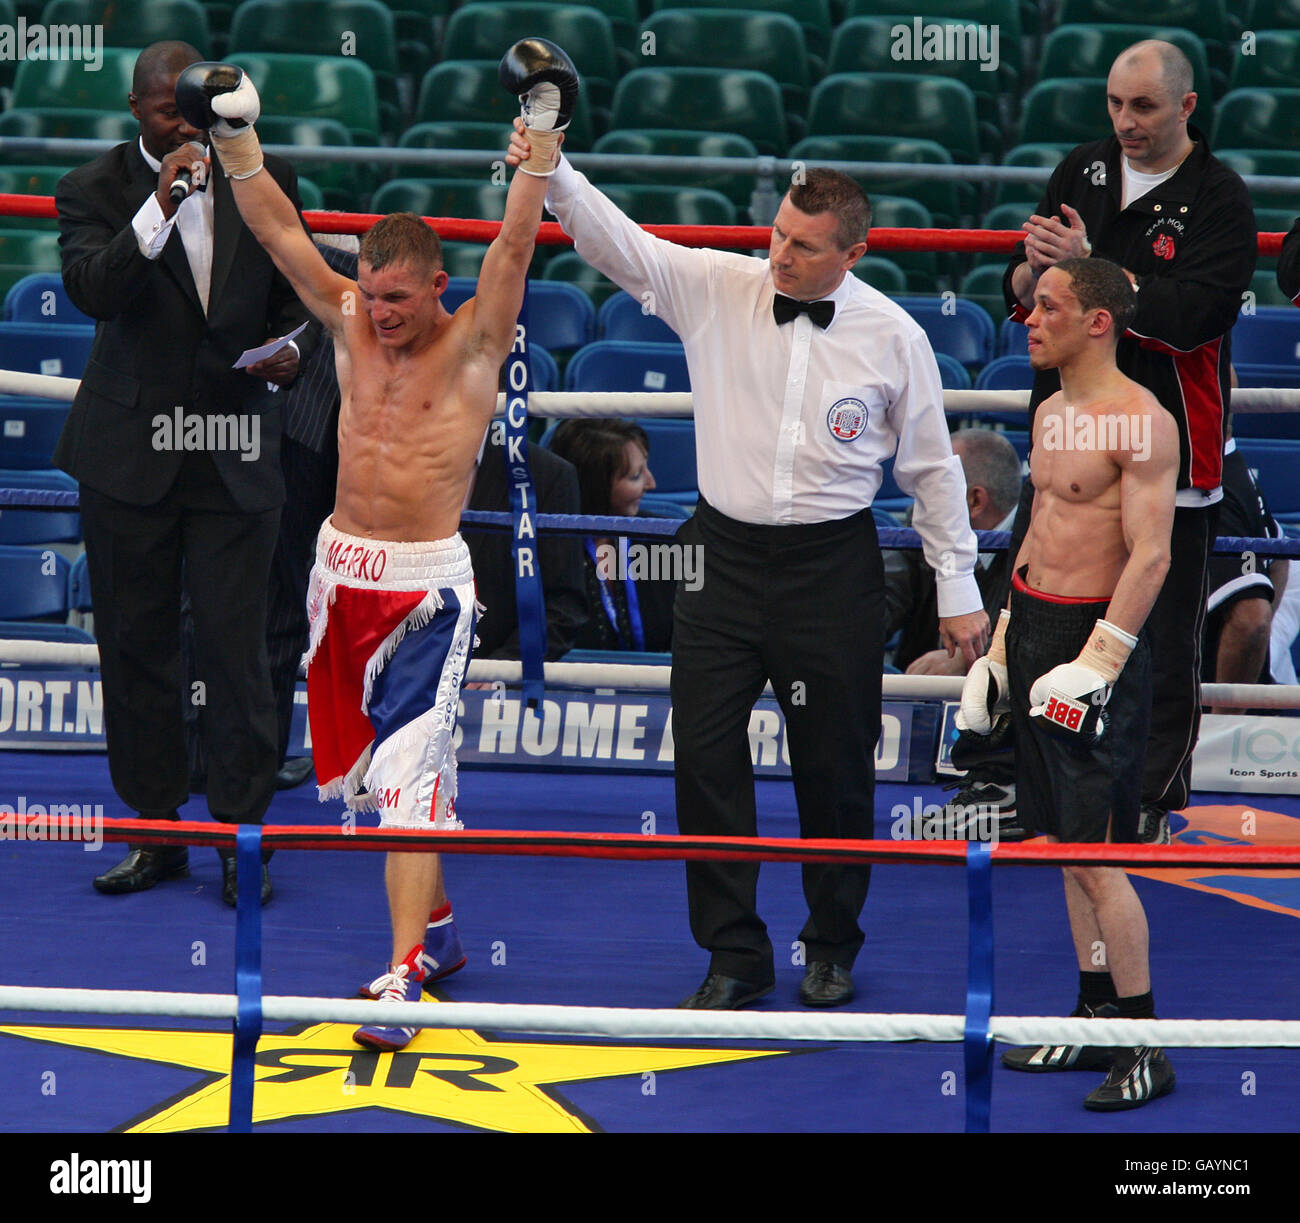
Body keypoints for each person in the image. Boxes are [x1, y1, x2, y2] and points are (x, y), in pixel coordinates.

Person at [517, 104, 989, 1009]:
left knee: (836, 765)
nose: (781, 256)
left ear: (853, 252)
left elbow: (933, 471)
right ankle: (733, 952)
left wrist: (959, 590)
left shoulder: (896, 336)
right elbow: (620, 244)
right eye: (777, 234)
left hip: (833, 568)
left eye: (805, 247)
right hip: (720, 559)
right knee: (702, 756)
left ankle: (832, 944)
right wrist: (552, 162)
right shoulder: (720, 286)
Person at [200, 42, 560, 1049]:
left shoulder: (475, 341)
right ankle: (437, 933)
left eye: (403, 296)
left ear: (437, 285)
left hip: (425, 596)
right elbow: (276, 231)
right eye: (375, 291)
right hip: (338, 577)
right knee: (377, 781)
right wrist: (236, 136)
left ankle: (404, 977)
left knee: (410, 783)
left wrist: (540, 135)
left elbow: (516, 250)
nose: (385, 312)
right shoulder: (350, 313)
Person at [56, 41, 318, 905]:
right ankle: (155, 829)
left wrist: (293, 350)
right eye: (173, 111)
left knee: (240, 652)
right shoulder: (92, 188)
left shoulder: (260, 173)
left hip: (235, 448)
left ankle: (244, 839)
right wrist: (159, 206)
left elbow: (304, 296)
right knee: (135, 647)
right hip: (129, 454)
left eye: (201, 105)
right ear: (137, 109)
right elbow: (94, 289)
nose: (192, 125)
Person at [999, 39, 1257, 844]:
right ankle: (1035, 786)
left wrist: (1092, 264)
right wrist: (1027, 273)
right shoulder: (1084, 168)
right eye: (1114, 104)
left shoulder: (1220, 197)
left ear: (1186, 107)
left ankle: (1150, 797)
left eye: (1142, 107)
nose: (1125, 122)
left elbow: (1197, 317)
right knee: (1042, 608)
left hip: (1168, 442)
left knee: (1163, 627)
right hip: (1069, 439)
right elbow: (1032, 287)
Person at [967, 257, 1179, 1110]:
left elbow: (1153, 554)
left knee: (1098, 854)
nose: (1029, 317)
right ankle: (1094, 1012)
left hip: (1099, 641)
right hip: (1038, 629)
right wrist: (1002, 645)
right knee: (1059, 845)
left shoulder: (1144, 422)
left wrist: (1099, 662)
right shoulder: (1052, 411)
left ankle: (1144, 1040)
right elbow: (1038, 530)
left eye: (1047, 306)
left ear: (1097, 321)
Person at [548, 418, 676, 652]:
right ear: (596, 485)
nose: (652, 483)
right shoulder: (541, 549)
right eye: (636, 476)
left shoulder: (665, 539)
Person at [465, 424, 588, 663]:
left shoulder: (547, 474)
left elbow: (564, 605)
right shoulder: (386, 465)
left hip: (495, 681)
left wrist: (505, 668)